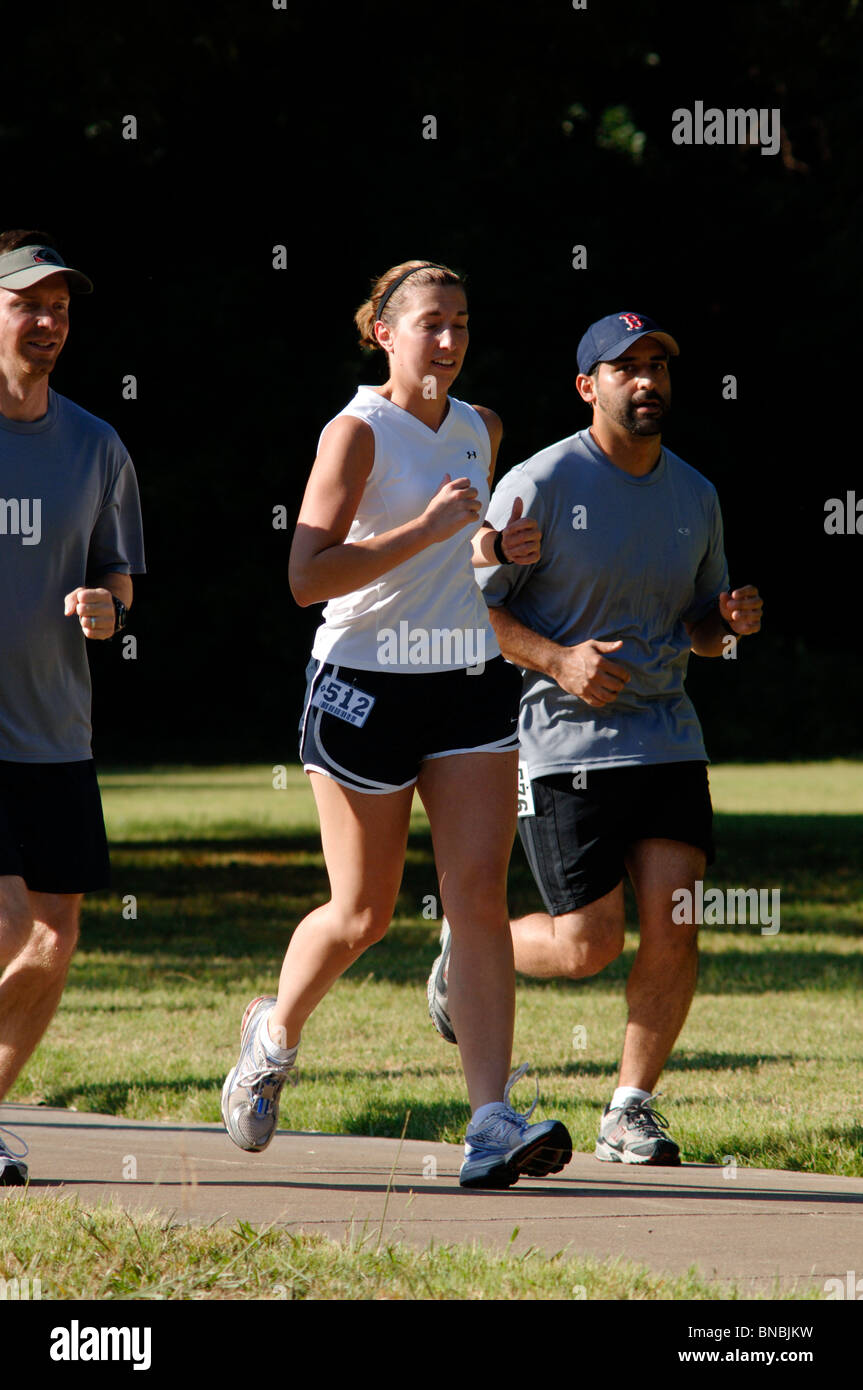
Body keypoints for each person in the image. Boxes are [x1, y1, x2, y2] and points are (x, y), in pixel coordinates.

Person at [221, 260, 573, 1189]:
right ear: (385, 332)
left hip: (464, 683)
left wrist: (496, 548)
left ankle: (490, 1121)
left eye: (462, 322)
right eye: (431, 324)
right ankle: (273, 1033)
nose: (450, 341)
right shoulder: (355, 433)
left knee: (477, 902)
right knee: (364, 911)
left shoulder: (480, 429)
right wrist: (422, 530)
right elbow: (306, 578)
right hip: (363, 690)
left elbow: (466, 555)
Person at [427, 310, 763, 1165]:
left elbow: (698, 627)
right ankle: (467, 954)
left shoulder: (695, 494)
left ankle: (629, 1107)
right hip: (561, 742)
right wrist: (558, 661)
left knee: (676, 920)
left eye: (657, 365)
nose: (646, 381)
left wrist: (727, 625)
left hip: (667, 737)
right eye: (626, 368)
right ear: (589, 387)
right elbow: (472, 607)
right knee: (587, 944)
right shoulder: (538, 484)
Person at [0, 230, 146, 1185]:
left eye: (60, 307)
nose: (48, 321)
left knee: (55, 936)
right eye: (28, 302)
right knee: (10, 928)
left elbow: (119, 574)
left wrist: (108, 606)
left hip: (54, 725)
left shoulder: (96, 444)